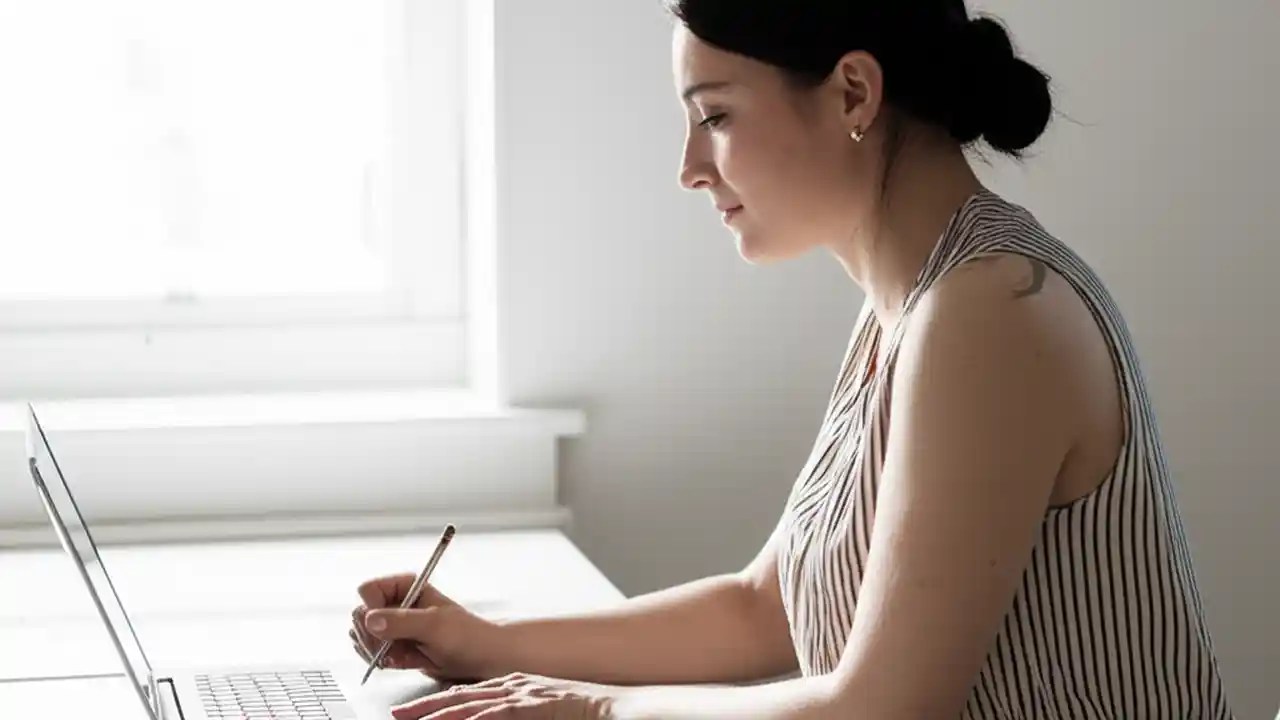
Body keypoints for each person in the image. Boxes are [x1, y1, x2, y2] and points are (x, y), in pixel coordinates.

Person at [349, 1, 1236, 718]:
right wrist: (484, 644)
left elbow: (877, 710)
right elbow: (765, 607)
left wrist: (598, 711)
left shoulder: (990, 314)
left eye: (716, 116)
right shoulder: (912, 307)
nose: (691, 167)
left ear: (854, 92)